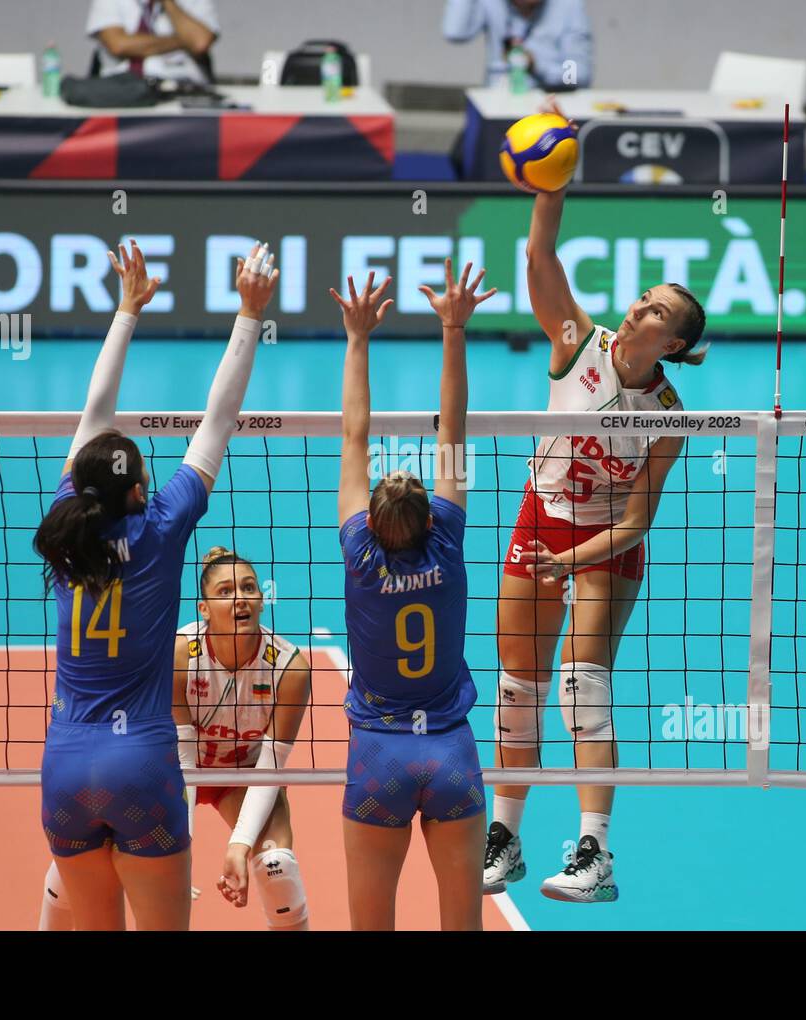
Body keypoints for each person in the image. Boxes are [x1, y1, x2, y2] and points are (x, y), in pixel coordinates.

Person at [485, 101, 708, 903]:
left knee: (584, 685)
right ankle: (504, 837)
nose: (638, 309)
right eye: (643, 297)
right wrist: (553, 182)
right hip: (538, 518)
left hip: (607, 544)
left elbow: (638, 519)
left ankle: (594, 852)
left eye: (657, 311)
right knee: (518, 686)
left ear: (673, 343)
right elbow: (540, 252)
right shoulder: (575, 341)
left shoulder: (672, 416)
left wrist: (570, 561)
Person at [34, 239, 276, 931]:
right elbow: (218, 421)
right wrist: (249, 314)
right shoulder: (162, 529)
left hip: (67, 769)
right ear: (142, 490)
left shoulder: (63, 526)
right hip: (140, 762)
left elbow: (93, 413)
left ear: (80, 484)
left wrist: (126, 310)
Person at [334, 260, 497, 931]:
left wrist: (358, 337)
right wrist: (453, 330)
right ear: (432, 520)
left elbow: (353, 435)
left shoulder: (360, 554)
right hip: (452, 753)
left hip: (379, 755)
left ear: (370, 523)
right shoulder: (449, 543)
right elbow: (451, 432)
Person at [39, 546, 314, 932]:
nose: (240, 598)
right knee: (77, 865)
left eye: (249, 588)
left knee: (277, 869)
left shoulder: (290, 668)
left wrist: (240, 844)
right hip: (165, 774)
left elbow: (270, 766)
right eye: (225, 592)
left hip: (241, 777)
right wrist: (177, 858)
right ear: (203, 609)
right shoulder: (180, 656)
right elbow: (184, 762)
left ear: (261, 599)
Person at [442, 0, 593, 89]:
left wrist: (536, 65)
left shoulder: (568, 6)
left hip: (546, 111)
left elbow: (578, 76)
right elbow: (454, 32)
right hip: (497, 106)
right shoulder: (494, 4)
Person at [86, 0, 218, 85]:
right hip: (120, 89)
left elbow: (200, 42)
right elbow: (118, 45)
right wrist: (183, 41)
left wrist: (168, 2)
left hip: (181, 88)